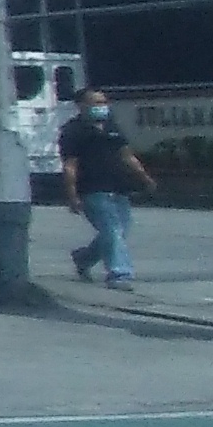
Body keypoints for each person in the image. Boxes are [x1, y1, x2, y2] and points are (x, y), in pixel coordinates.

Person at [58, 87, 157, 289]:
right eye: (95, 103)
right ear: (81, 105)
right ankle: (119, 273)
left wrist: (144, 178)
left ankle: (84, 258)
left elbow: (127, 155)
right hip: (92, 189)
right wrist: (72, 195)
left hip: (118, 188)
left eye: (103, 103)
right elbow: (70, 165)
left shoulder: (112, 127)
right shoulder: (73, 131)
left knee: (119, 231)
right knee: (112, 230)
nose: (101, 107)